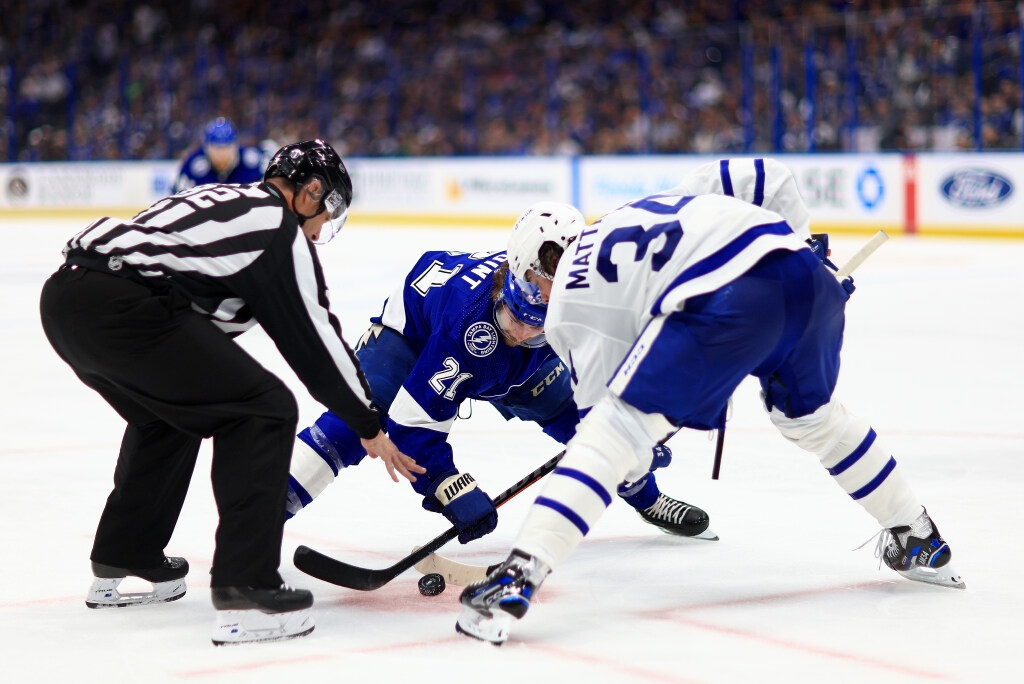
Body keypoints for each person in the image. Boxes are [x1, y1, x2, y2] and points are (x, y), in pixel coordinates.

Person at [456, 162, 964, 644]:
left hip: (724, 303)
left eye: (531, 281)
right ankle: (918, 536)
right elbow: (768, 178)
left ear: (529, 268)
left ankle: (519, 576)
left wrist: (635, 457)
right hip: (807, 281)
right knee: (815, 422)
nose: (535, 293)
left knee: (614, 434)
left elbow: (604, 438)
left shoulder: (567, 308)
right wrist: (808, 253)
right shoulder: (636, 210)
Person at [39, 139, 415, 645]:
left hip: (67, 299)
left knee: (168, 413)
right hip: (125, 306)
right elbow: (316, 341)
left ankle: (126, 554)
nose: (322, 228)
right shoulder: (277, 229)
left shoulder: (224, 201)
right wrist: (367, 422)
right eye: (328, 212)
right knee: (265, 410)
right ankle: (247, 588)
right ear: (310, 191)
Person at [287, 209, 717, 545]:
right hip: (412, 337)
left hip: (521, 365)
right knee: (356, 423)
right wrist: (445, 483)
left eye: (539, 322)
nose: (523, 333)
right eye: (518, 315)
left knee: (589, 431)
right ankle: (266, 513)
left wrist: (632, 435)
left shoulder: (576, 303)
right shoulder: (467, 324)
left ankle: (647, 497)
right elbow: (413, 425)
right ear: (512, 280)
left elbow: (611, 373)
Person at [173, 116, 267, 193]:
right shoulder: (192, 166)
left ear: (235, 146)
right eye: (217, 148)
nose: (221, 154)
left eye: (226, 148)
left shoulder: (254, 162)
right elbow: (177, 198)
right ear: (206, 148)